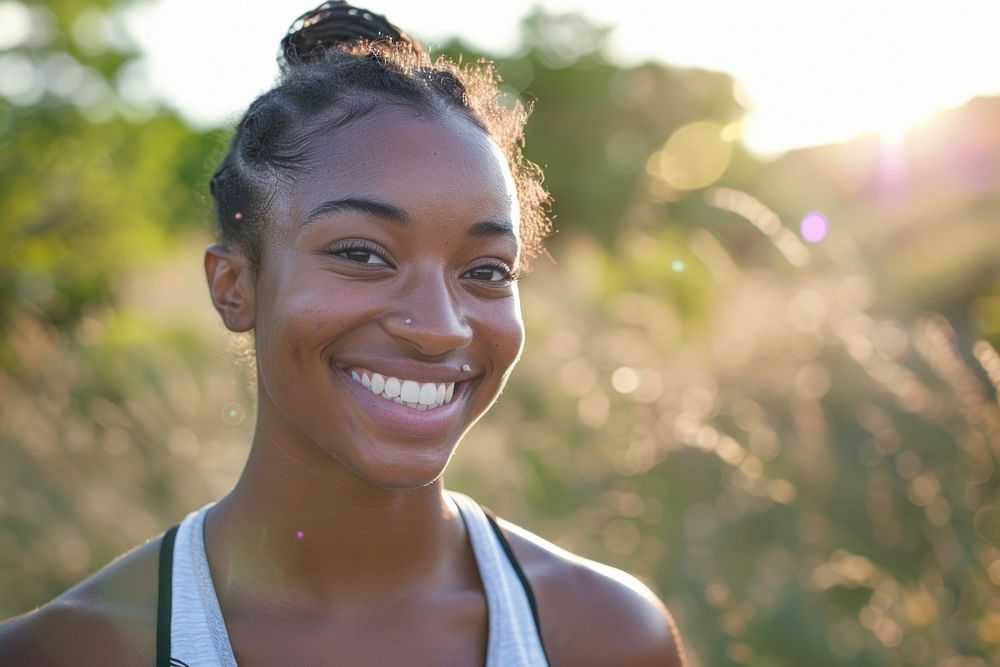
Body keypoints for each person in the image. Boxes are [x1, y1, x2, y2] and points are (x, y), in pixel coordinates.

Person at [0, 2, 685, 665]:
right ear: (234, 287)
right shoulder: (61, 651)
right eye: (361, 253)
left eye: (484, 269)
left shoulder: (607, 636)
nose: (440, 328)